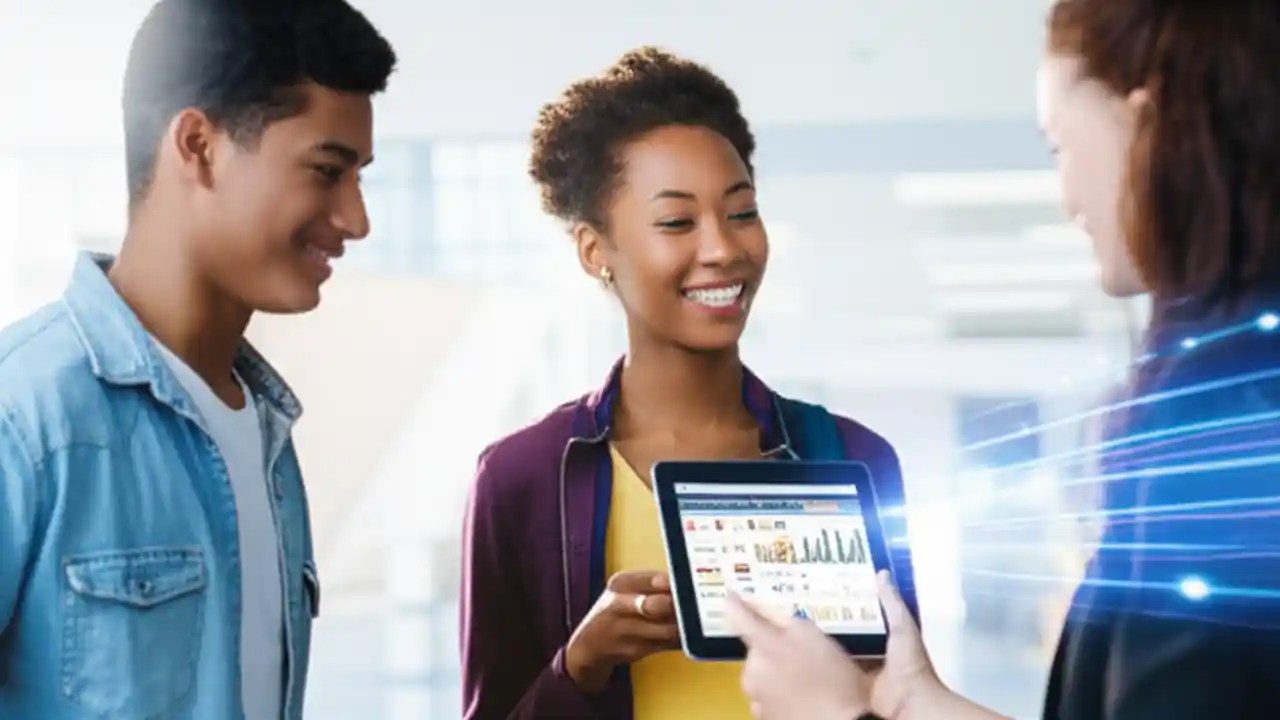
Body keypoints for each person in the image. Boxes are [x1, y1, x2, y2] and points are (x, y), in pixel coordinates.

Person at [728, 0, 1280, 718]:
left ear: (1145, 127)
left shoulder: (1221, 418)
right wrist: (912, 703)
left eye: (1061, 148)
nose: (1068, 197)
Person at [459, 47, 919, 720]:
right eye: (677, 222)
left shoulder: (854, 457)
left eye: (741, 212)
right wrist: (579, 665)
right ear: (595, 251)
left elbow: (910, 699)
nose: (723, 249)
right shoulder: (521, 476)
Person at [0, 1, 395, 718]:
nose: (355, 219)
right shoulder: (21, 420)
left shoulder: (266, 432)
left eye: (359, 176)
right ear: (198, 144)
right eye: (327, 170)